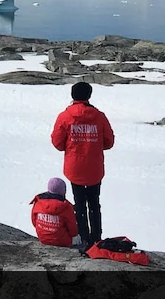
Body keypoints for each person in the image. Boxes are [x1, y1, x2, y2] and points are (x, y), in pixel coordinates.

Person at [50, 81, 114, 247]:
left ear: (73, 96)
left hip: (75, 168)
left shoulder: (65, 116)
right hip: (94, 168)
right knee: (94, 203)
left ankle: (84, 238)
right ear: (89, 96)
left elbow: (57, 143)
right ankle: (97, 238)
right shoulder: (99, 116)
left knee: (79, 204)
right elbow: (109, 142)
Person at [30, 176, 78, 247]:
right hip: (62, 242)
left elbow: (34, 222)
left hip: (43, 239)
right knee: (79, 237)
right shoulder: (66, 207)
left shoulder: (38, 202)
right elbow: (73, 232)